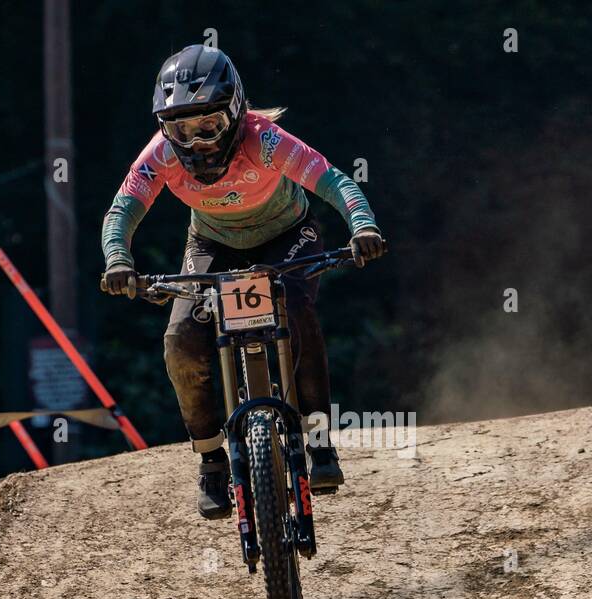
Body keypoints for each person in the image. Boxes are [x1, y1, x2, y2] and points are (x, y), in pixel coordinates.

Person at [101, 44, 385, 519]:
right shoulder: (158, 156)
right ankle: (211, 460)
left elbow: (336, 181)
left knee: (295, 311)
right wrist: (117, 258)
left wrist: (364, 226)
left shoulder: (267, 140)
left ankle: (318, 440)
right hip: (211, 246)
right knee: (181, 338)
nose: (195, 143)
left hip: (288, 236)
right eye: (180, 130)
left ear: (234, 113)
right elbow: (122, 211)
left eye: (208, 126)